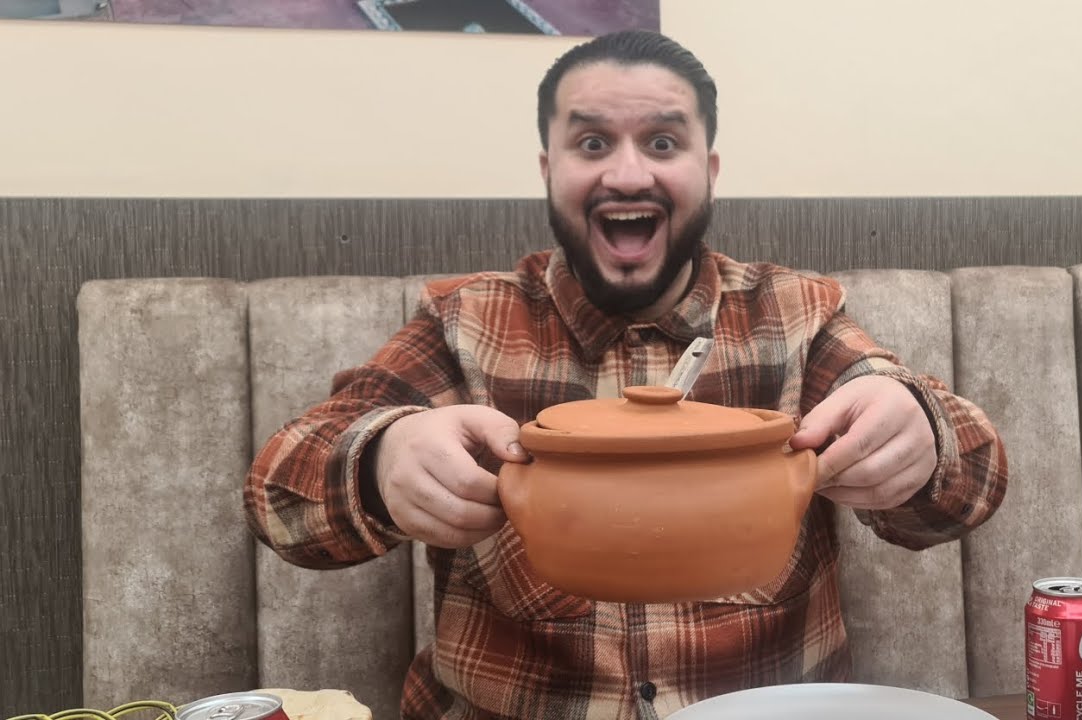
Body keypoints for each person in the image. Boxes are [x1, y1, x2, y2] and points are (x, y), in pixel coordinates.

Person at [243, 30, 1008, 720]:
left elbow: (973, 484)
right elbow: (278, 498)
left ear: (709, 171)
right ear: (550, 170)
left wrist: (918, 431)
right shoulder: (465, 321)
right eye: (592, 143)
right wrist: (382, 460)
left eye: (664, 143)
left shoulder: (796, 315)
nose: (629, 172)